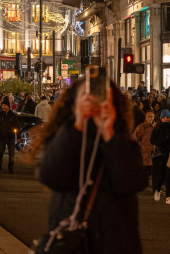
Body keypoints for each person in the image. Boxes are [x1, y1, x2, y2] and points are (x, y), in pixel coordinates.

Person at [33, 79, 147, 254]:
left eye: (103, 100)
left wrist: (109, 132)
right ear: (73, 105)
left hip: (115, 242)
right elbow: (50, 176)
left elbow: (133, 182)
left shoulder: (124, 144)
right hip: (71, 243)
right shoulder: (64, 138)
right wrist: (77, 124)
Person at [150, 109, 170, 203]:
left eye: (167, 117)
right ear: (161, 118)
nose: (166, 119)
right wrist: (164, 139)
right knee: (160, 175)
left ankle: (169, 196)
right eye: (164, 117)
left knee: (169, 176)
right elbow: (152, 140)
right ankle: (157, 190)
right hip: (159, 155)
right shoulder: (156, 129)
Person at [0, 101, 19, 173]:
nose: (3, 107)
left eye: (5, 105)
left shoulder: (12, 115)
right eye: (2, 105)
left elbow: (17, 126)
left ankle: (11, 168)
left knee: (11, 154)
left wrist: (19, 137)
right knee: (0, 153)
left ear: (8, 106)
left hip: (11, 137)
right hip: (2, 137)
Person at [132, 109, 155, 184]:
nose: (150, 118)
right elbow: (135, 139)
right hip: (144, 151)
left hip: (153, 152)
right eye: (148, 117)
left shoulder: (156, 127)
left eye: (151, 117)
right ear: (145, 117)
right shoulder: (141, 127)